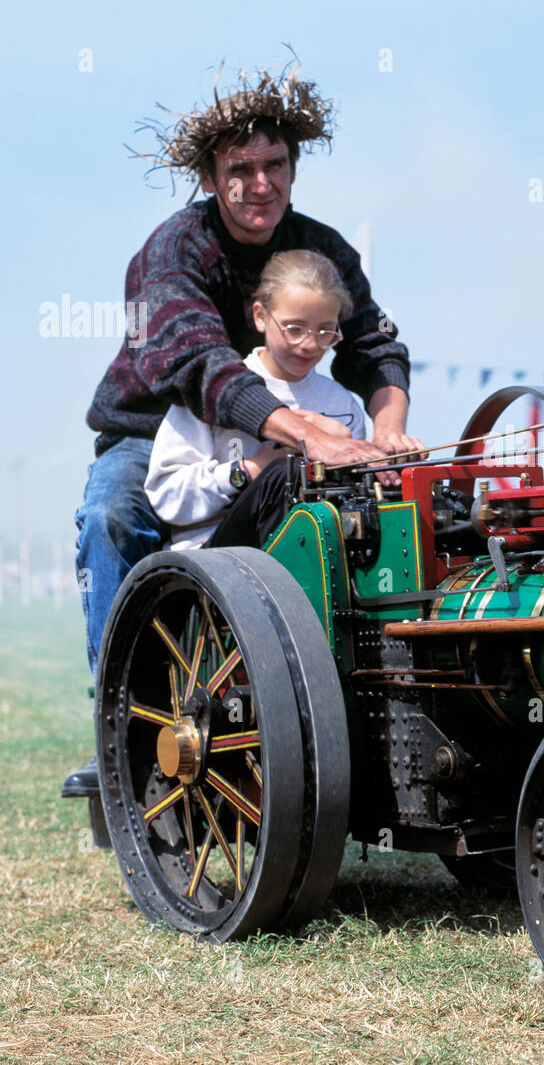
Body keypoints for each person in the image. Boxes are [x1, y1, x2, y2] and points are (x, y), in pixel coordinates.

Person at [64, 62, 423, 799]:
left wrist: (387, 432)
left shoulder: (321, 251)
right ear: (207, 176)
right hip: (158, 429)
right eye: (241, 170)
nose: (261, 184)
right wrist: (301, 432)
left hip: (287, 433)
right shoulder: (171, 253)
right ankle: (124, 735)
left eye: (275, 166)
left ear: (293, 168)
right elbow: (196, 364)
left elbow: (375, 347)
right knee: (110, 515)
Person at [145, 250, 362, 550]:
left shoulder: (343, 405)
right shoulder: (214, 387)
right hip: (217, 559)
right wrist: (250, 470)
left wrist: (344, 442)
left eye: (325, 331)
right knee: (279, 473)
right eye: (295, 329)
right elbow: (167, 495)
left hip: (321, 549)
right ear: (260, 317)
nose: (309, 345)